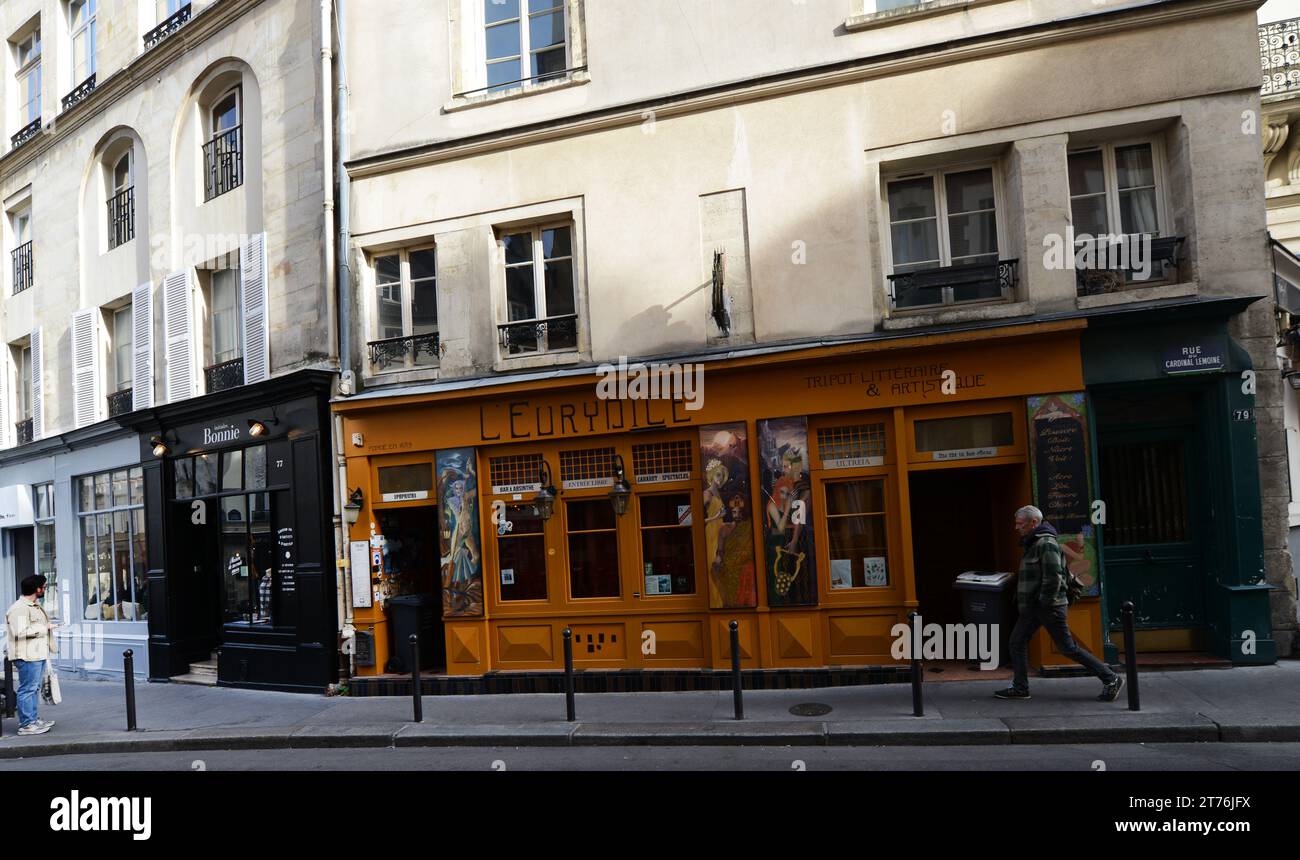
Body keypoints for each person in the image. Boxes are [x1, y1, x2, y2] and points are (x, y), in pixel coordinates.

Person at [995, 505, 1123, 702]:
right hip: (1035, 607)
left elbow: (1054, 578)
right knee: (1016, 642)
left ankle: (1111, 678)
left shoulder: (1046, 544)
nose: (1016, 527)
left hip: (1048, 606)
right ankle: (1020, 687)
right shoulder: (1034, 542)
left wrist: (1044, 603)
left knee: (1068, 648)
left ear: (1033, 523)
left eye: (1020, 524)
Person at [5, 574, 58, 735]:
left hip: (36, 654)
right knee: (27, 689)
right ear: (37, 589)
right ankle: (26, 725)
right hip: (27, 656)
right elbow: (20, 632)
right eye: (44, 587)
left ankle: (33, 720)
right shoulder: (20, 608)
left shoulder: (32, 605)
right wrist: (45, 628)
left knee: (33, 688)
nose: (45, 589)